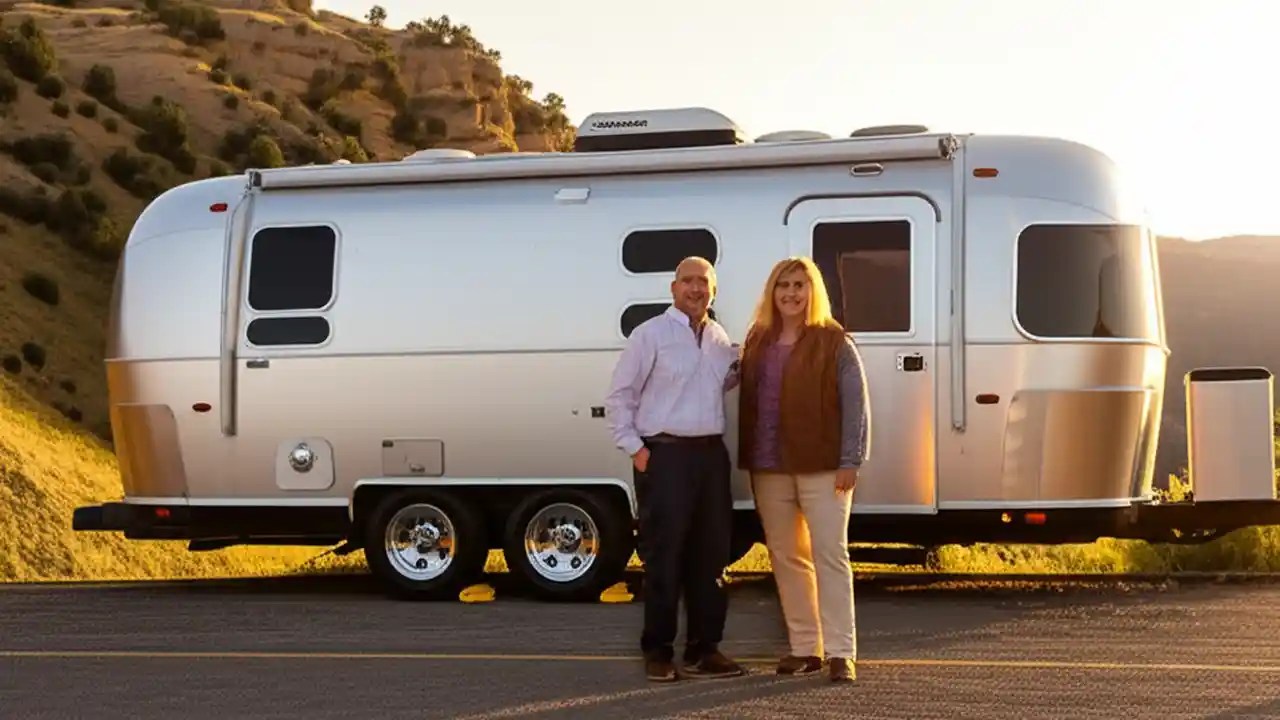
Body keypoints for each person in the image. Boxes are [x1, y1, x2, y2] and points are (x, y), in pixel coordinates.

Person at [604, 256, 746, 683]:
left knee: (712, 556)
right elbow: (619, 396)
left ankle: (705, 649)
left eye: (704, 282)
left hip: (709, 457)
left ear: (714, 290)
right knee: (664, 558)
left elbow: (722, 382)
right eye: (688, 281)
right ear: (673, 288)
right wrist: (636, 449)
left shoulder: (719, 338)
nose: (696, 288)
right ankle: (659, 651)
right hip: (664, 456)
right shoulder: (650, 335)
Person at [736, 256, 870, 684]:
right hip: (769, 467)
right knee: (787, 557)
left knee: (830, 555)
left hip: (824, 466)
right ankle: (804, 649)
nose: (791, 293)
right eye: (783, 285)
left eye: (799, 285)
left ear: (813, 292)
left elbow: (856, 406)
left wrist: (851, 460)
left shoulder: (835, 342)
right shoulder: (756, 340)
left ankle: (840, 652)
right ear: (772, 293)